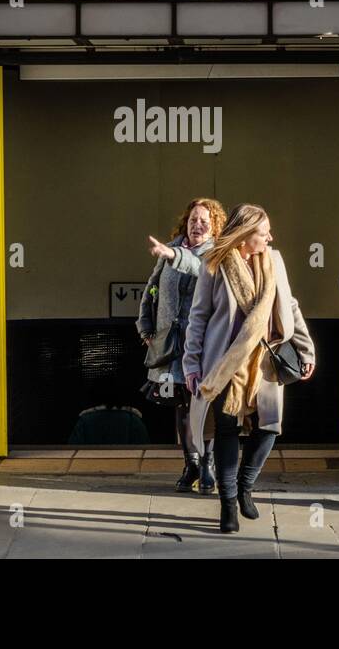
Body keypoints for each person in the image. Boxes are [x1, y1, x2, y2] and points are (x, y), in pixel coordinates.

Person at [183, 204, 315, 534]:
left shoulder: (274, 261)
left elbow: (290, 305)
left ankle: (245, 486)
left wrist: (306, 347)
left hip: (267, 360)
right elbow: (197, 318)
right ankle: (228, 503)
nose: (269, 237)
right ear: (245, 235)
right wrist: (191, 363)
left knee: (269, 427)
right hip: (226, 362)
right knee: (227, 430)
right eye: (262, 232)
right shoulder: (213, 264)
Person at [137, 197, 226, 493]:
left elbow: (200, 270)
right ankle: (190, 465)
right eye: (193, 220)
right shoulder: (170, 251)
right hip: (170, 346)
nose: (197, 225)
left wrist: (172, 254)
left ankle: (207, 466)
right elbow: (151, 289)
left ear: (214, 225)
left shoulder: (217, 255)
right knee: (181, 407)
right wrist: (146, 327)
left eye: (204, 220)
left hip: (201, 345)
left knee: (203, 405)